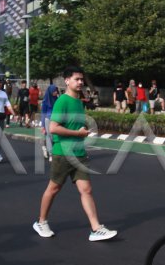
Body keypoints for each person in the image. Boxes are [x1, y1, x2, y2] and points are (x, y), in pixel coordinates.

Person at [33, 66, 117, 242]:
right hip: (63, 153)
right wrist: (77, 133)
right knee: (54, 188)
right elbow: (53, 128)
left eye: (81, 79)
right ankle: (41, 222)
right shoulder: (62, 101)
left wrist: (82, 131)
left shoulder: (79, 101)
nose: (80, 82)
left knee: (86, 190)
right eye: (76, 79)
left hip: (79, 152)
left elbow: (72, 125)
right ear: (67, 81)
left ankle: (96, 228)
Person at [39, 83, 60, 161]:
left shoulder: (57, 99)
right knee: (49, 136)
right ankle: (51, 154)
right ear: (51, 91)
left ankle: (53, 151)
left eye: (56, 91)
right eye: (54, 91)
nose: (56, 92)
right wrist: (43, 126)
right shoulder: (45, 101)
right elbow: (43, 114)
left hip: (57, 119)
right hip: (48, 119)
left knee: (56, 136)